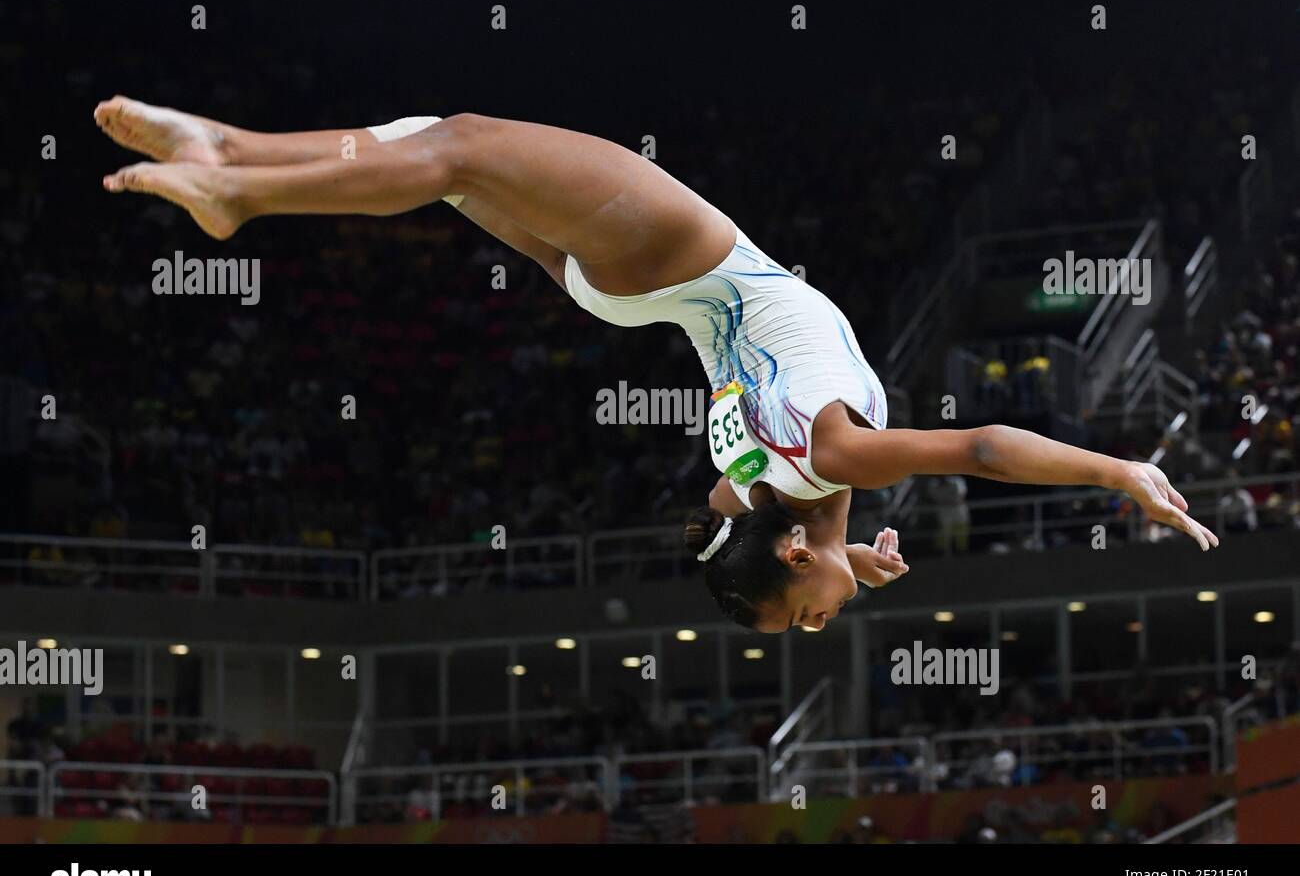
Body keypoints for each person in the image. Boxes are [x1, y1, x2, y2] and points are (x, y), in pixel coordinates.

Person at [95, 99, 1219, 635]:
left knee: (460, 146)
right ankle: (229, 156)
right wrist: (841, 551)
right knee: (448, 152)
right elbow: (773, 519)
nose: (830, 611)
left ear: (788, 545)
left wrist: (1116, 472)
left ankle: (237, 182)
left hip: (681, 258)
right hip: (621, 290)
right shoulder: (745, 488)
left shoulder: (826, 455)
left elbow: (976, 445)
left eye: (814, 613)